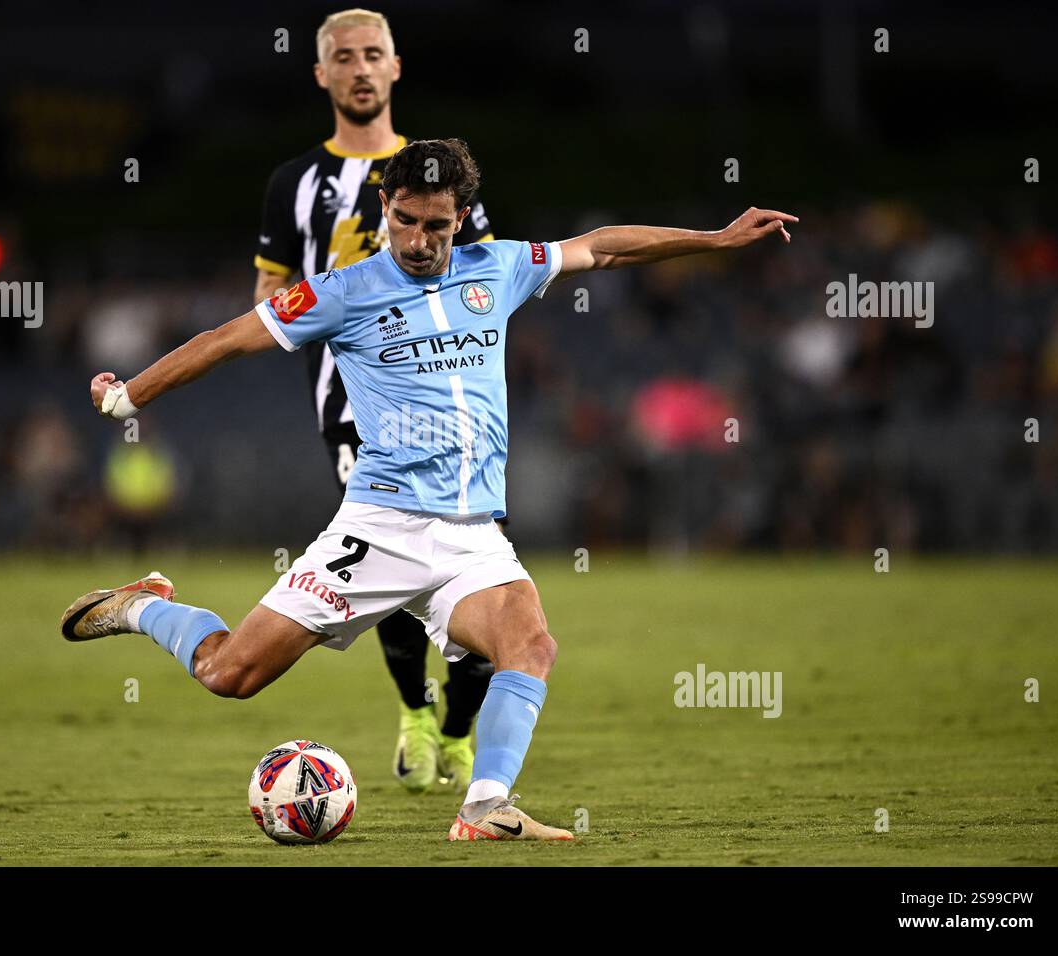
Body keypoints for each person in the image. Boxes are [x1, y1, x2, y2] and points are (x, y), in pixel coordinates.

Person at [62, 137, 797, 840]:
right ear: (386, 207)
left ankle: (486, 806)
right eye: (406, 220)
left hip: (474, 535)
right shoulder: (340, 292)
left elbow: (602, 246)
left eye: (436, 225)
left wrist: (715, 239)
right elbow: (224, 340)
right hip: (380, 527)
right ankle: (144, 608)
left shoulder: (499, 267)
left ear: (462, 218)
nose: (418, 240)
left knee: (530, 643)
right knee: (230, 674)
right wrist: (129, 396)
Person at [252, 8, 495, 794]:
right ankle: (417, 712)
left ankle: (457, 727)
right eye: (343, 58)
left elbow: (482, 277)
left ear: (396, 68)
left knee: (472, 566)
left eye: (373, 55)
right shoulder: (294, 183)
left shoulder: (437, 176)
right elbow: (270, 290)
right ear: (321, 74)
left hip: (451, 407)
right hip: (352, 401)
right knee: (385, 557)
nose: (360, 69)